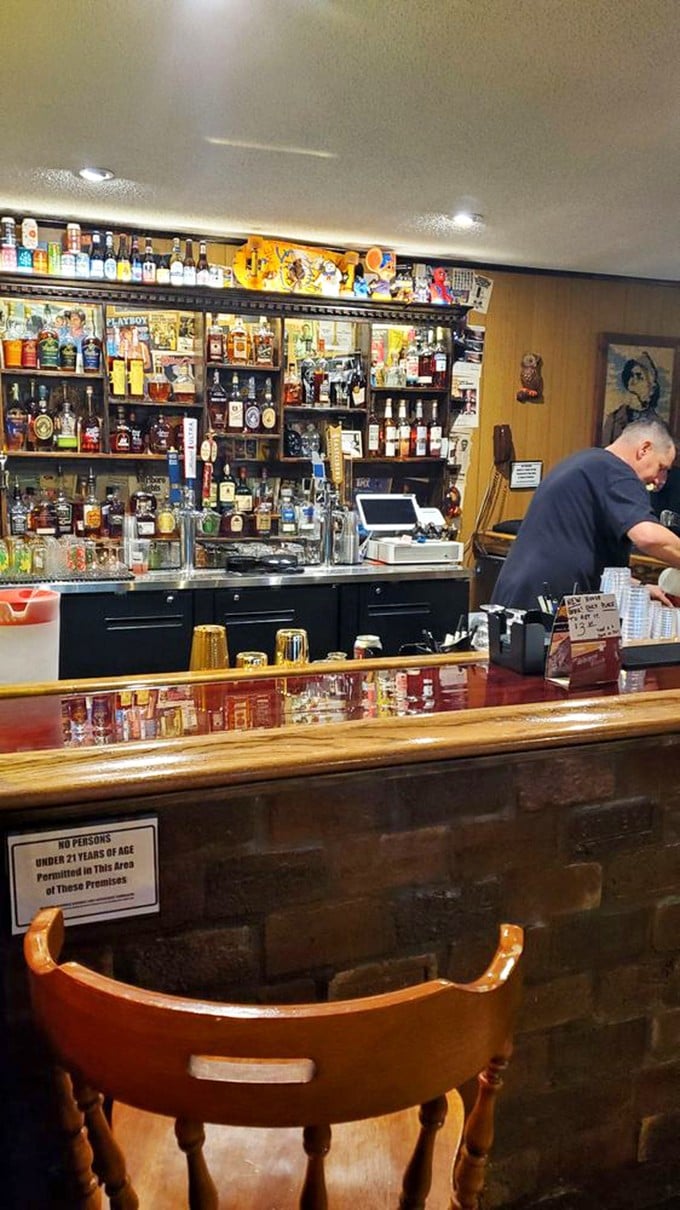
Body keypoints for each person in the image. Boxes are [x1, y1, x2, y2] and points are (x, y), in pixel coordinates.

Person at [490, 416, 680, 611]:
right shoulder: (616, 471)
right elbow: (648, 537)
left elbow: (585, 556)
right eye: (662, 468)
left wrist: (640, 587)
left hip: (520, 593)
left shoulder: (585, 462)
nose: (660, 480)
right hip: (545, 603)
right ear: (644, 449)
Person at [602, 352, 661, 443]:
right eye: (630, 376)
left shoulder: (659, 425)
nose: (632, 382)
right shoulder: (613, 419)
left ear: (651, 386)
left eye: (639, 377)